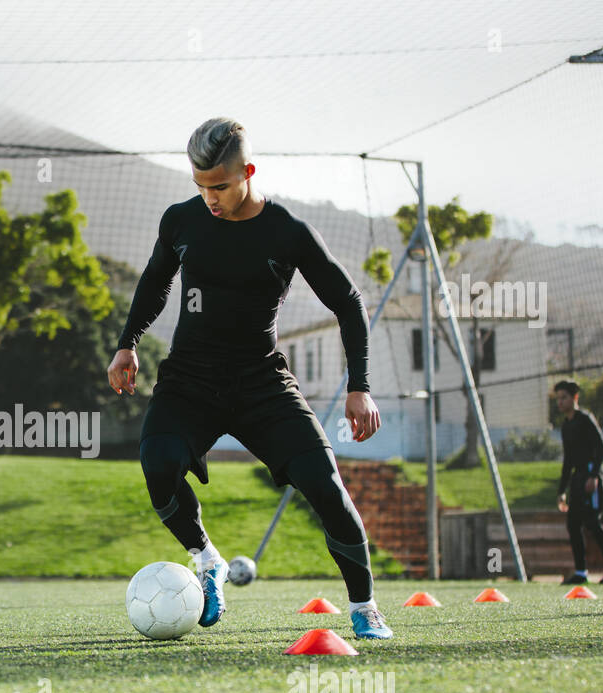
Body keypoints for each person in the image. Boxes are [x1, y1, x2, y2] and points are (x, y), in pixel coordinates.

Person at [107, 117, 393, 639]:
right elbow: (154, 283)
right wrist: (127, 344)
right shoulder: (181, 222)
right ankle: (206, 558)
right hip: (190, 380)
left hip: (263, 383)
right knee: (158, 463)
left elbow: (349, 302)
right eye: (200, 185)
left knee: (327, 487)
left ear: (248, 172)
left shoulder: (287, 233)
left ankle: (364, 607)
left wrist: (360, 385)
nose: (210, 197)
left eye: (219, 185)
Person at [553, 380, 603, 584]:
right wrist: (562, 490)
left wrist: (593, 476)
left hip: (591, 475)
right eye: (558, 398)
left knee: (593, 522)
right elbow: (568, 460)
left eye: (564, 397)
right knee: (573, 524)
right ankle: (581, 572)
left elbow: (601, 448)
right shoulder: (566, 426)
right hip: (577, 478)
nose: (560, 402)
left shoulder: (585, 419)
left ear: (574, 398)